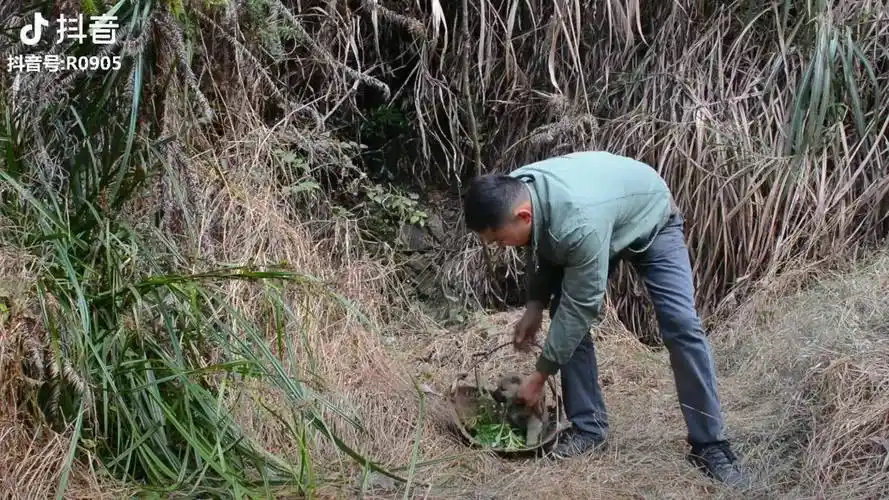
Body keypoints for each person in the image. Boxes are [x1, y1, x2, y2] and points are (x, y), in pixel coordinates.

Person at [461, 151, 750, 488]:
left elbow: (582, 306)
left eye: (499, 239)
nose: (501, 246)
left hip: (651, 218)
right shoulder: (518, 190)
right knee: (562, 315)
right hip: (601, 217)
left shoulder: (577, 223)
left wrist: (539, 377)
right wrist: (535, 305)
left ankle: (710, 444)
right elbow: (543, 249)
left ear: (523, 216)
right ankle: (588, 427)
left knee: (681, 324)